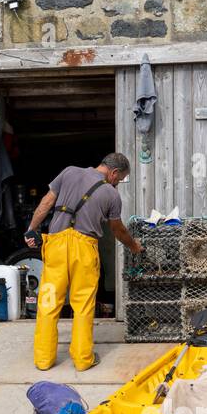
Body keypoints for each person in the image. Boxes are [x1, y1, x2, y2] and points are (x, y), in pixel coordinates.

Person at [24, 152, 142, 372]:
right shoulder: (112, 195)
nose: (118, 183)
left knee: (49, 302)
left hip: (57, 243)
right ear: (114, 172)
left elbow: (47, 201)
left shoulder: (69, 172)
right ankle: (82, 359)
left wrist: (31, 229)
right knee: (83, 305)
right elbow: (117, 230)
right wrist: (134, 246)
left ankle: (43, 359)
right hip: (85, 248)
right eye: (120, 178)